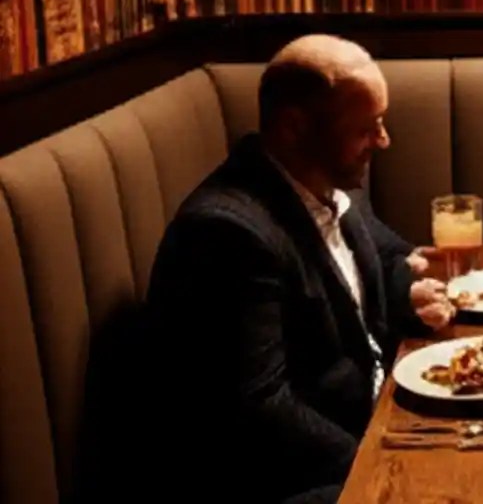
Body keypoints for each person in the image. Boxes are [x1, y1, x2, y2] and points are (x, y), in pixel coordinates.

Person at [144, 34, 456, 504]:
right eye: (367, 127)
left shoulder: (325, 182)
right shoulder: (228, 234)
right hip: (297, 479)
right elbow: (260, 411)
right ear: (294, 127)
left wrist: (403, 293)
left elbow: (391, 255)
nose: (383, 140)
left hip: (376, 421)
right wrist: (379, 464)